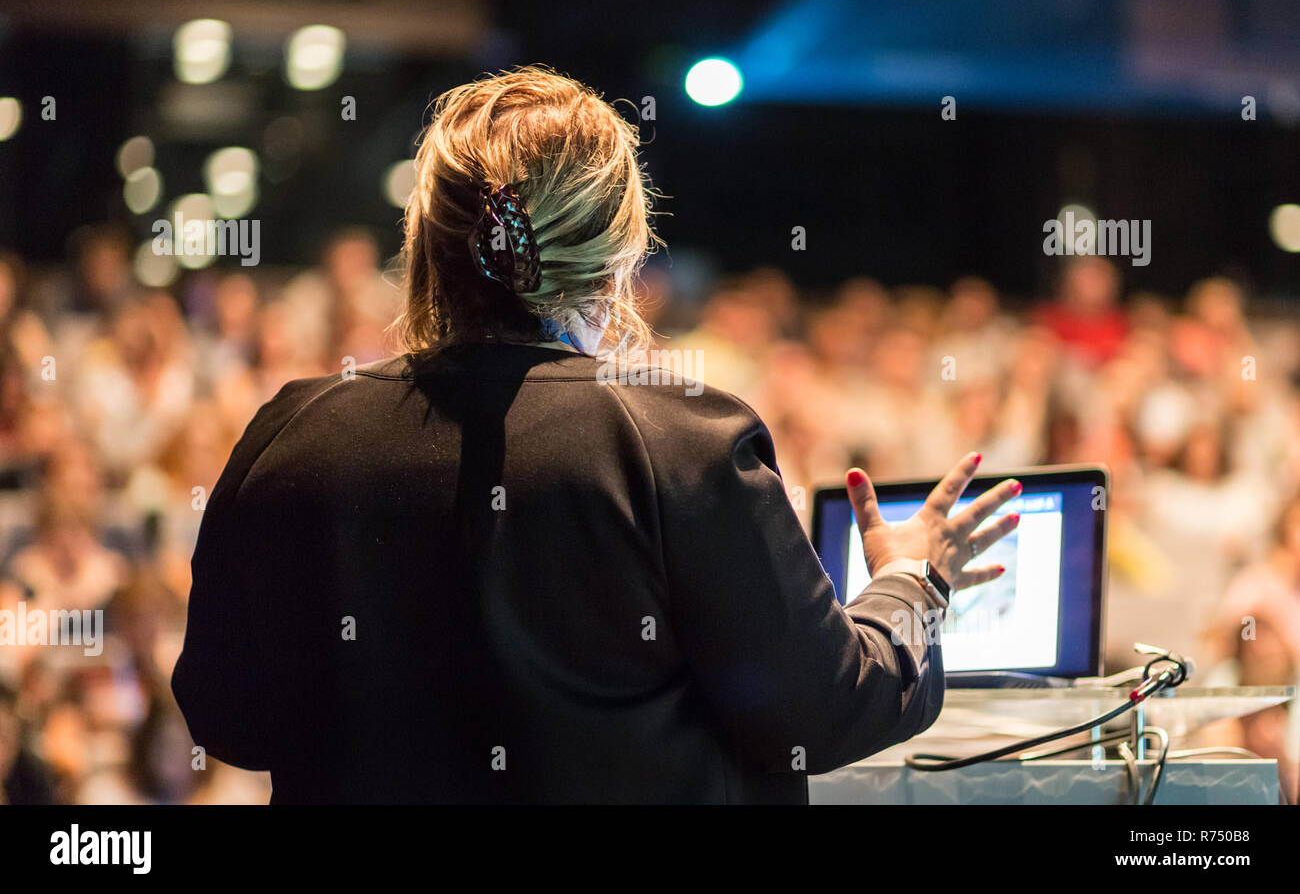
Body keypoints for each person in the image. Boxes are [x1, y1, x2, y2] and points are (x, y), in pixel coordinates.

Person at [171, 66, 1021, 803]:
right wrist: (913, 581)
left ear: (425, 245)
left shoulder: (291, 434)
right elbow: (822, 710)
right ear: (621, 256)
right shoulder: (682, 442)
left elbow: (227, 717)